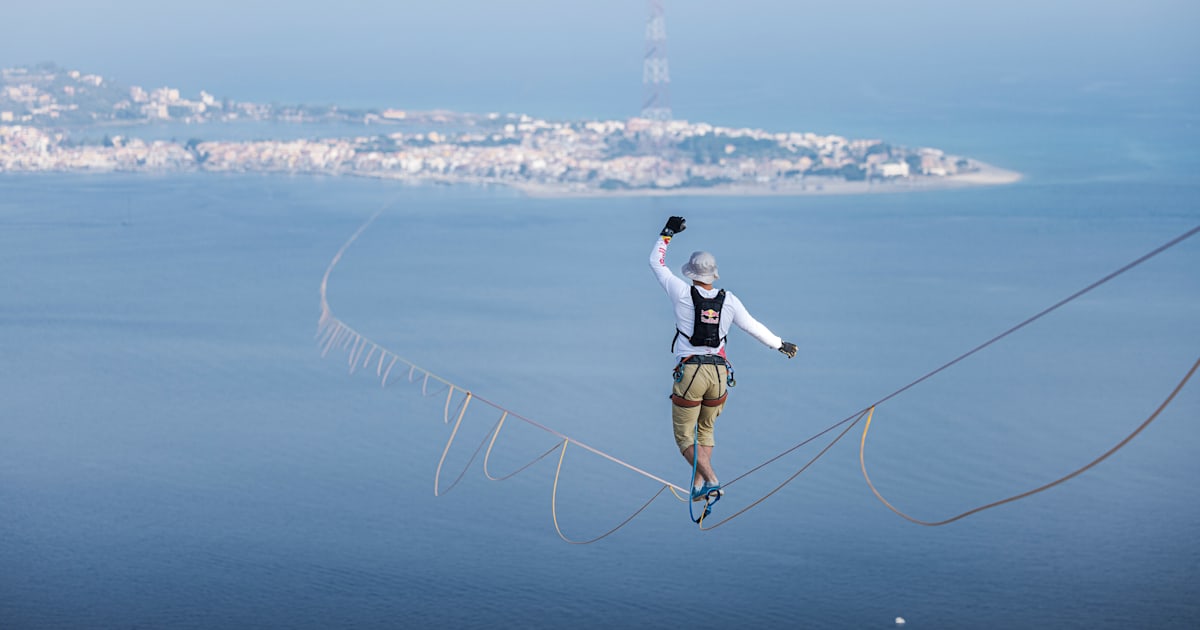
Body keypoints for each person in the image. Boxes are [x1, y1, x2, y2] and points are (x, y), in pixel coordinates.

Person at [649, 215, 798, 502]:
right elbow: (753, 326)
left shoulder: (681, 292)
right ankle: (698, 486)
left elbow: (656, 263)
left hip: (691, 372)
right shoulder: (729, 300)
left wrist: (667, 233)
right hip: (719, 375)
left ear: (691, 274)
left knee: (684, 436)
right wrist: (780, 344)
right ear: (713, 274)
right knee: (704, 431)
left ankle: (712, 479)